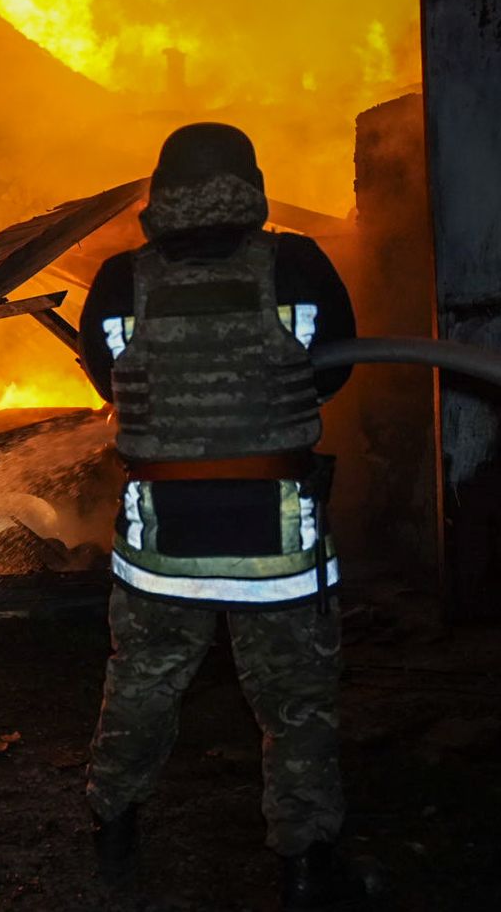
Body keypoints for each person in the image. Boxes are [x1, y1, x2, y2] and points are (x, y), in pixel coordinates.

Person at [77, 123, 357, 909]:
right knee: (296, 706)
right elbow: (330, 371)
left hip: (162, 542)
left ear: (160, 192)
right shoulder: (296, 263)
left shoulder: (117, 281)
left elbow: (109, 381)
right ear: (251, 182)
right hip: (277, 541)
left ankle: (114, 824)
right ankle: (304, 863)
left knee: (140, 686)